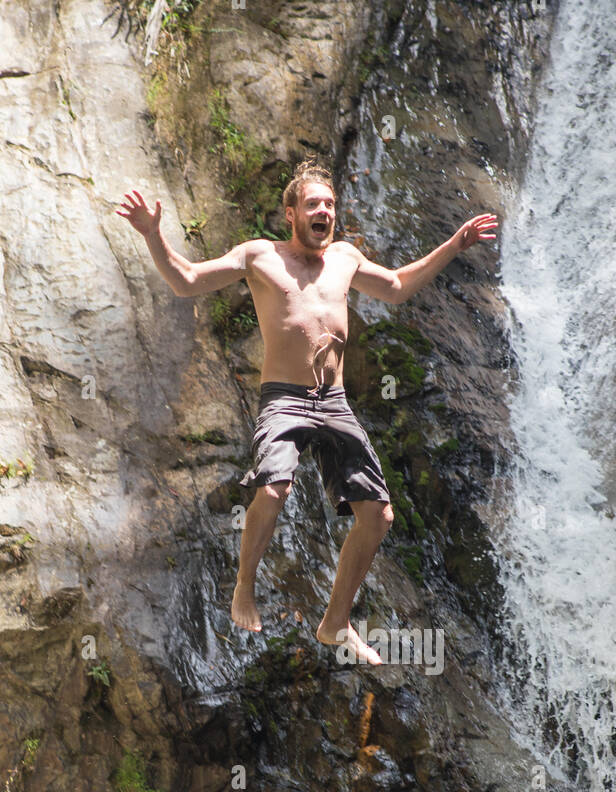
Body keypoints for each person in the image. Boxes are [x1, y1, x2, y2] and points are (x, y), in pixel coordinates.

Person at [117, 160, 497, 663]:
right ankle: (244, 587)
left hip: (334, 402)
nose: (325, 211)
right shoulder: (260, 256)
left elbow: (399, 287)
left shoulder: (344, 258)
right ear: (291, 212)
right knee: (273, 488)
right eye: (314, 204)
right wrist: (153, 235)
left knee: (379, 516)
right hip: (284, 398)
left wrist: (455, 244)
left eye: (331, 204)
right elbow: (186, 281)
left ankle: (335, 623)